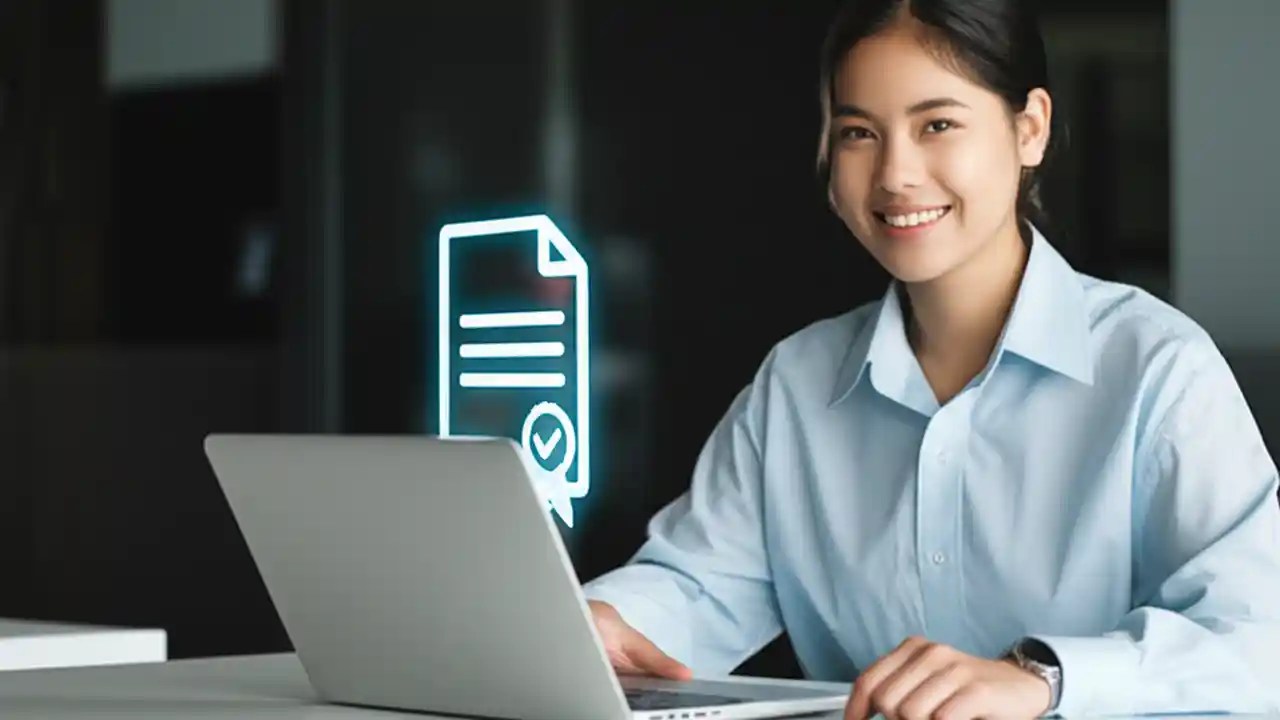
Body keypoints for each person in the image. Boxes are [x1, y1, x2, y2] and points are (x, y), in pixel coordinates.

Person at [581, 1, 1280, 718]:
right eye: (859, 133)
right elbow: (698, 585)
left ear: (1030, 128)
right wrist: (592, 626)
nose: (895, 175)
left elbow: (1258, 645)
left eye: (937, 124)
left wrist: (1044, 679)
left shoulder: (1158, 368)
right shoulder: (797, 382)